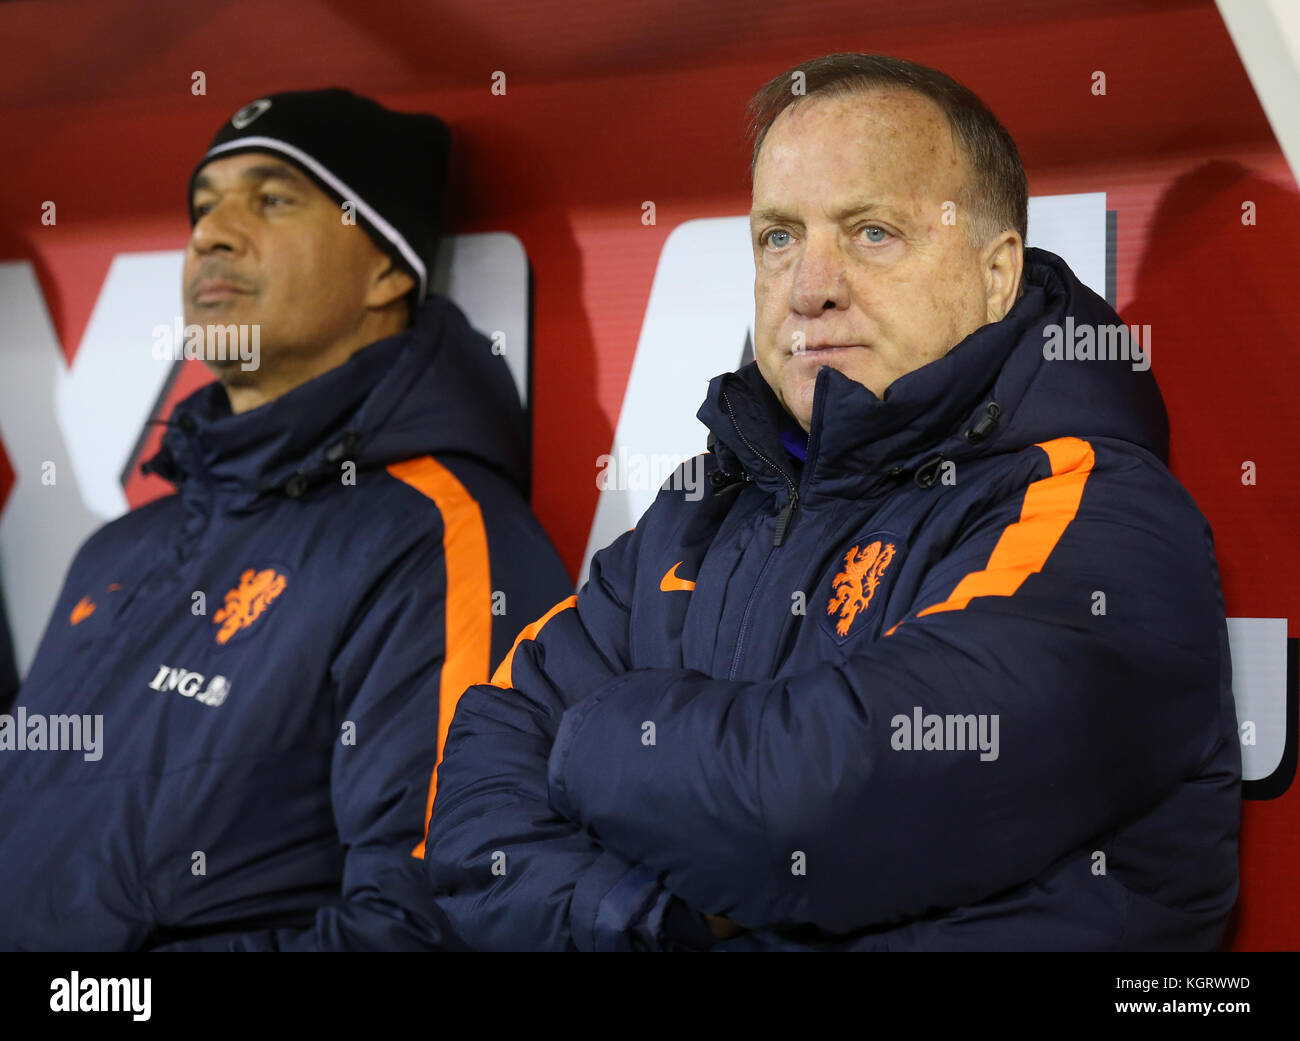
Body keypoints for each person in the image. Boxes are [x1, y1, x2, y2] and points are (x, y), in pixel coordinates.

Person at [425, 54, 1241, 951]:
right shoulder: (700, 508)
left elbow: (814, 806)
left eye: (872, 232)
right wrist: (653, 920)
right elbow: (475, 793)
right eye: (779, 237)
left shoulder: (1103, 516)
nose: (810, 287)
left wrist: (586, 744)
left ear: (997, 272)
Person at [0, 88, 571, 950]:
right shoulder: (118, 549)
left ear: (387, 269)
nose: (212, 234)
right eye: (203, 206)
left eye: (272, 199)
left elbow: (436, 919)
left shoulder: (429, 537)